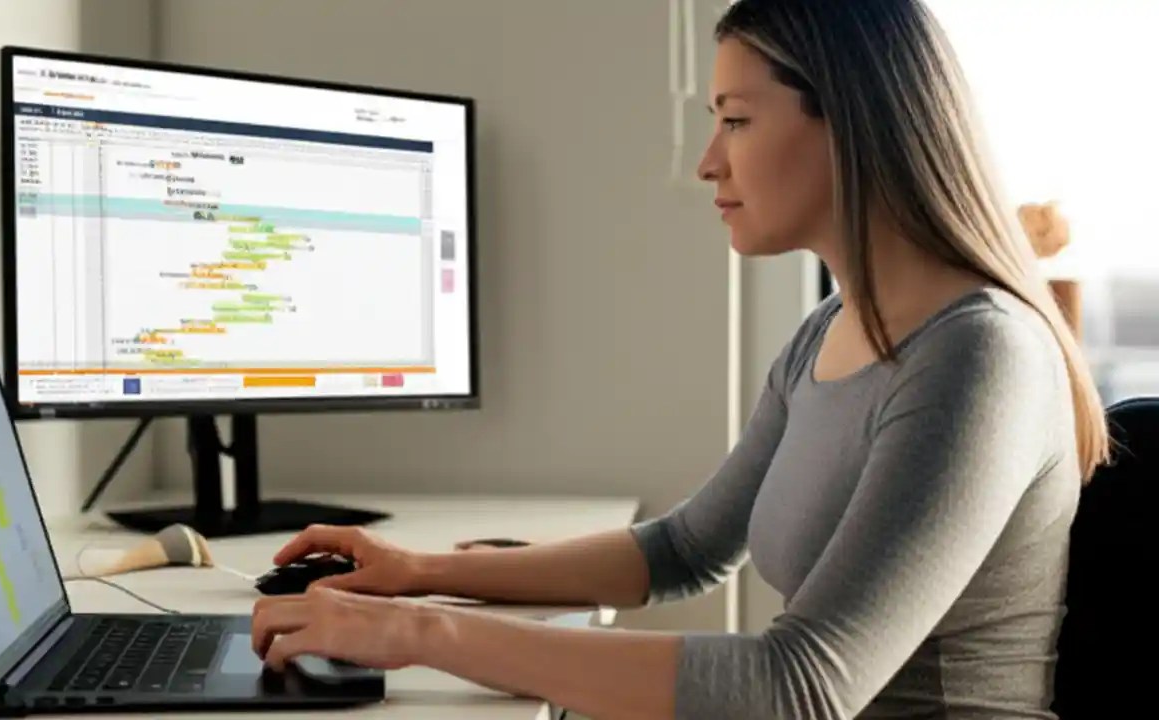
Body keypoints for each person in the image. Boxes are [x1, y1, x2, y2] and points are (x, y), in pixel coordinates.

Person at [250, 0, 1110, 717]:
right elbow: (682, 551)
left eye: (735, 121)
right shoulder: (830, 330)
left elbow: (800, 688)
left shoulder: (979, 357)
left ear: (852, 123)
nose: (708, 162)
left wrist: (418, 636)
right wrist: (419, 576)